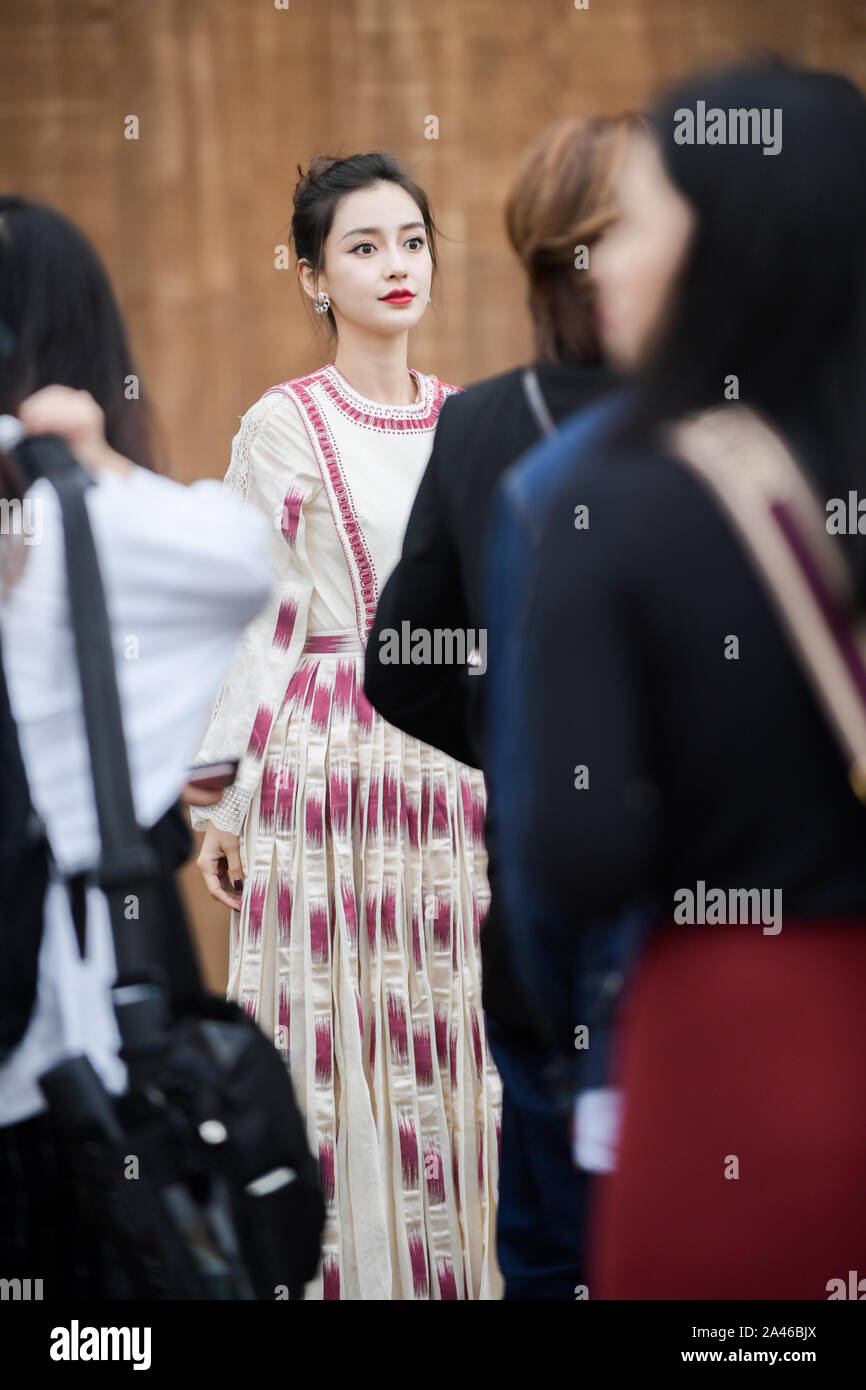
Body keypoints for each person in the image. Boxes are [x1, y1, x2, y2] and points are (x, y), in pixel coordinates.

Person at [486, 59, 866, 1298]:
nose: (603, 262)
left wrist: (563, 1052)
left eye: (636, 219)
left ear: (725, 241)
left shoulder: (612, 500)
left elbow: (571, 853)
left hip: (737, 1055)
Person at [191, 153, 502, 1300]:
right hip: (323, 776)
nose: (393, 265)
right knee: (330, 1060)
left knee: (451, 1043)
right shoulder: (282, 426)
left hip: (450, 771)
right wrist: (223, 798)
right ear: (315, 277)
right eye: (362, 246)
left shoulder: (472, 421)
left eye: (410, 240)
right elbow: (254, 620)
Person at [363, 115, 630, 1299]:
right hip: (730, 933)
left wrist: (519, 744)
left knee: (546, 1240)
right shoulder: (752, 422)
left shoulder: (478, 424)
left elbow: (400, 663)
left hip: (533, 922)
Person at [0, 204, 273, 1297]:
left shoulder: (71, 532)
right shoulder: (101, 526)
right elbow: (240, 558)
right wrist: (91, 466)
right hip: (58, 1056)